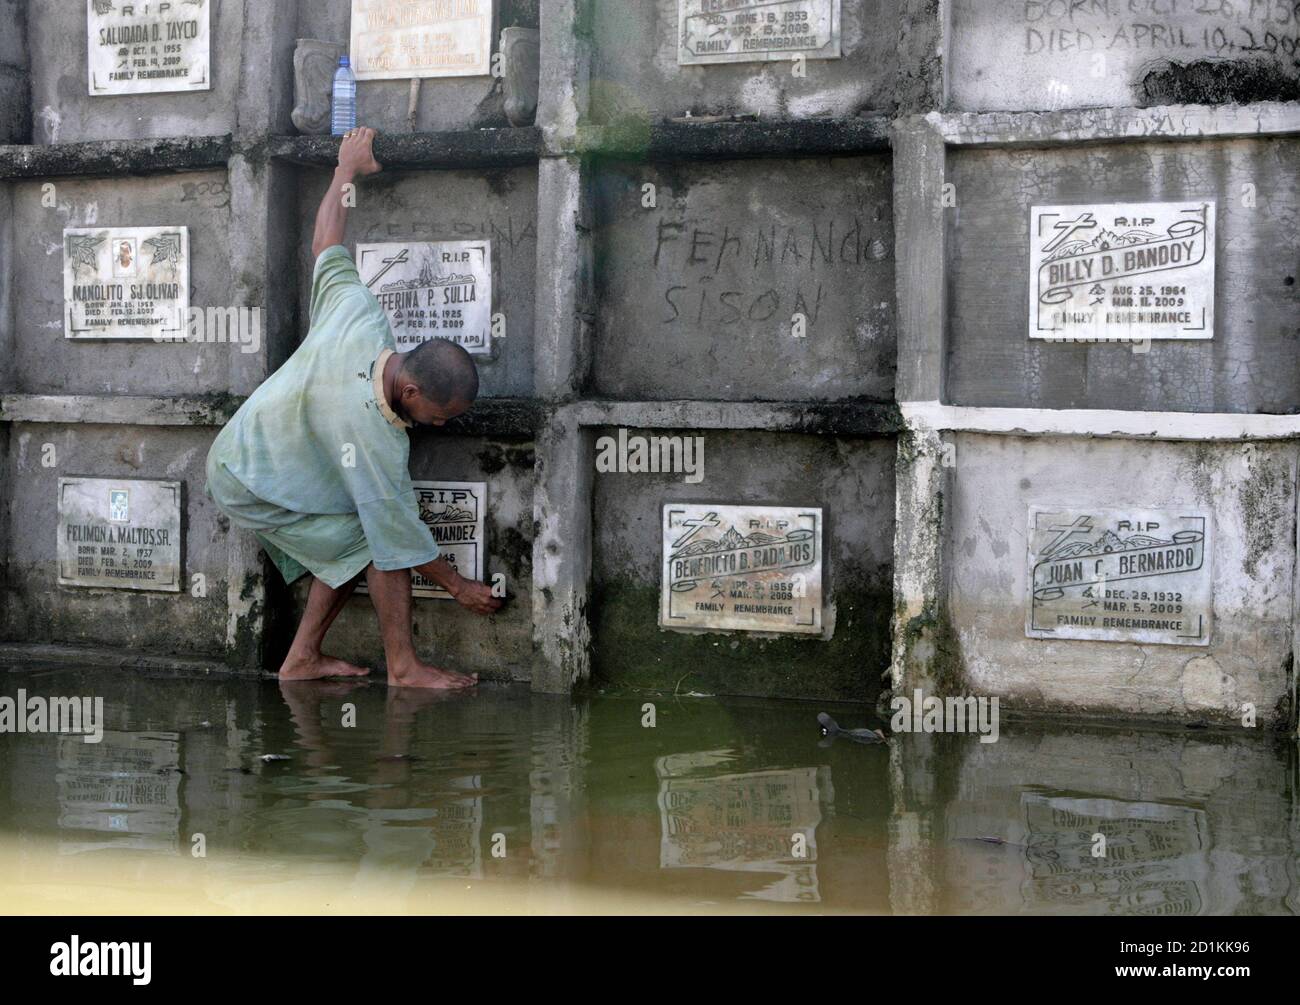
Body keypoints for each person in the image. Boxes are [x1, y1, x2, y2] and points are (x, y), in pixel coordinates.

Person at [205, 127, 501, 689]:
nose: (440, 427)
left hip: (240, 448)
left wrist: (345, 169)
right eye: (440, 416)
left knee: (356, 540)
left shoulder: (361, 313)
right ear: (410, 394)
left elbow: (326, 245)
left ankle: (303, 660)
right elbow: (402, 541)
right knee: (372, 542)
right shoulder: (375, 439)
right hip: (246, 478)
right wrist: (461, 588)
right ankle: (403, 668)